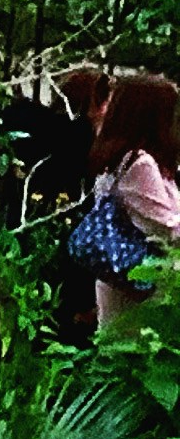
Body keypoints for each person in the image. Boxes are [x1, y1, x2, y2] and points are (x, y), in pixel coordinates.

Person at [75, 70, 180, 333]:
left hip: (122, 283)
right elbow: (165, 227)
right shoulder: (140, 164)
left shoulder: (118, 158)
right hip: (142, 287)